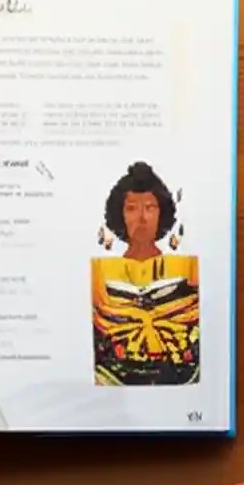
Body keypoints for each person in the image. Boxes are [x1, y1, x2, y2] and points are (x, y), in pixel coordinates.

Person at [91, 162, 200, 386]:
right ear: (119, 214)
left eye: (150, 208)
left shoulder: (187, 266)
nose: (142, 218)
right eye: (131, 208)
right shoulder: (99, 271)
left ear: (162, 212)